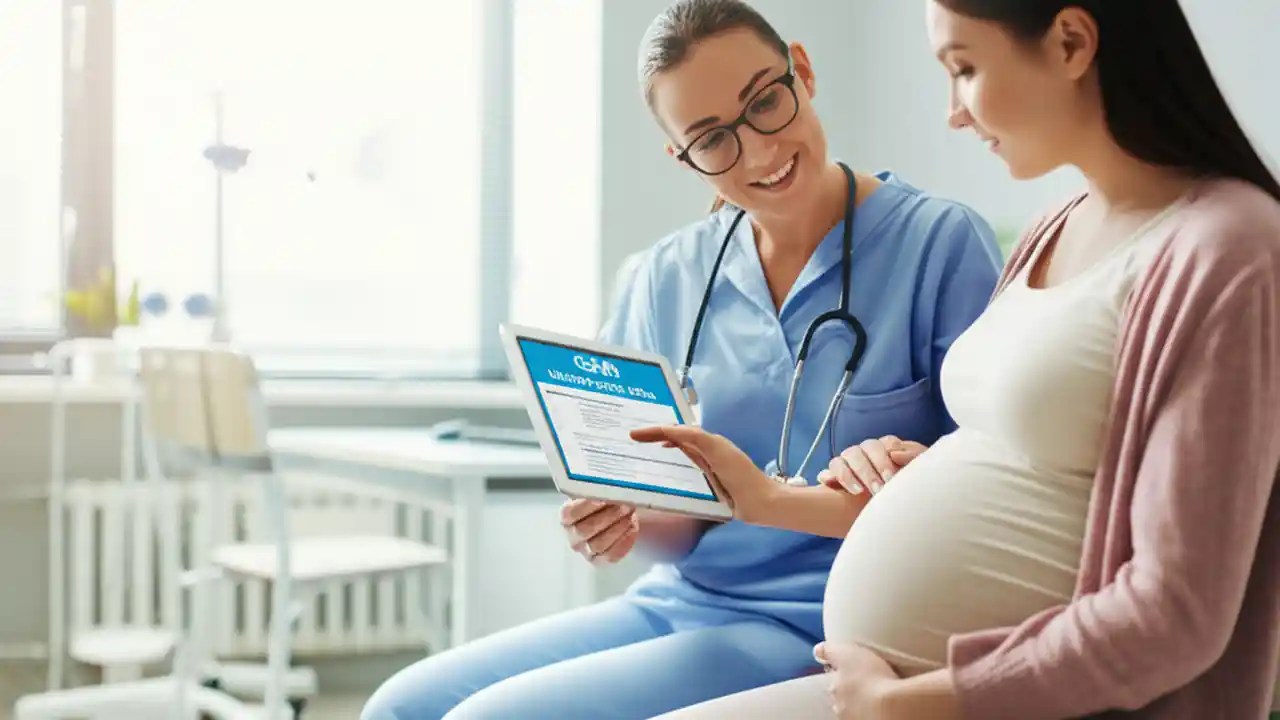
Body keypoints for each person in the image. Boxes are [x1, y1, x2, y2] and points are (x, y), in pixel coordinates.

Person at [359, 0, 1001, 718]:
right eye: (712, 139)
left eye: (765, 102)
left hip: (832, 616)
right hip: (686, 600)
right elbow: (677, 525)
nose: (757, 151)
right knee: (399, 704)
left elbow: (987, 495)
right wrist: (627, 516)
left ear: (804, 71)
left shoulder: (941, 247)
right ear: (683, 156)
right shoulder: (661, 277)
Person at [641, 1, 1280, 718]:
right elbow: (1033, 470)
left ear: (1071, 42)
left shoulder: (1228, 246)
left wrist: (915, 705)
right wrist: (913, 472)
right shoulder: (1056, 225)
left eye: (965, 69)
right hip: (887, 677)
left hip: (961, 694)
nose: (953, 113)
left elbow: (1176, 613)